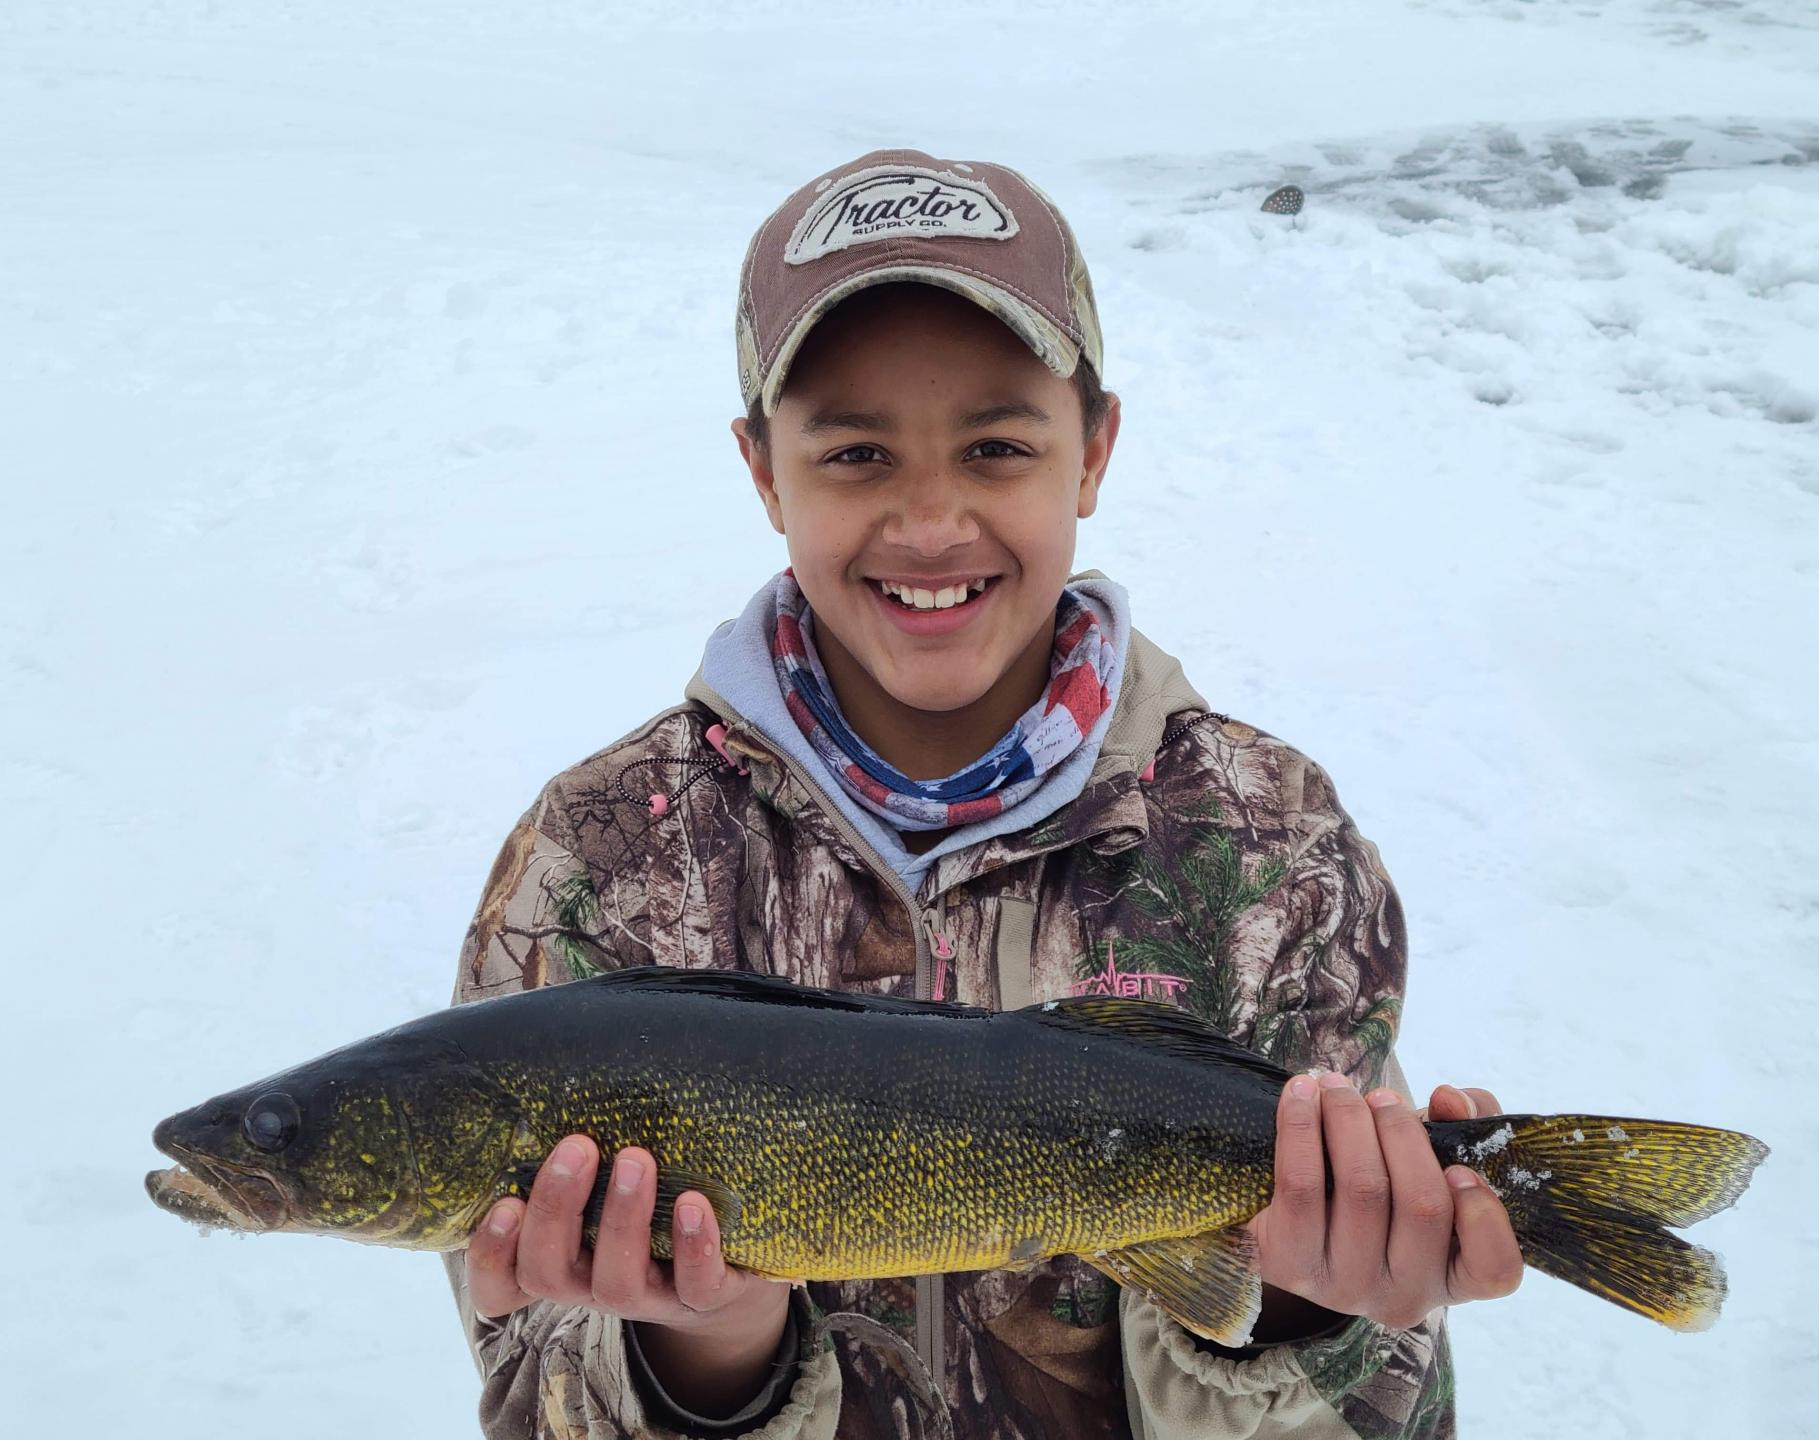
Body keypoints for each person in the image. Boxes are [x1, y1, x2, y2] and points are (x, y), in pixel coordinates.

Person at [439, 147, 1523, 1440]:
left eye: (998, 444)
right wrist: (707, 1350)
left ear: (1094, 452)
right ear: (761, 470)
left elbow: (1392, 1412)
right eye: (855, 454)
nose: (933, 519)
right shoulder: (603, 862)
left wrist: (1305, 1314)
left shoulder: (1269, 845)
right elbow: (525, 1393)